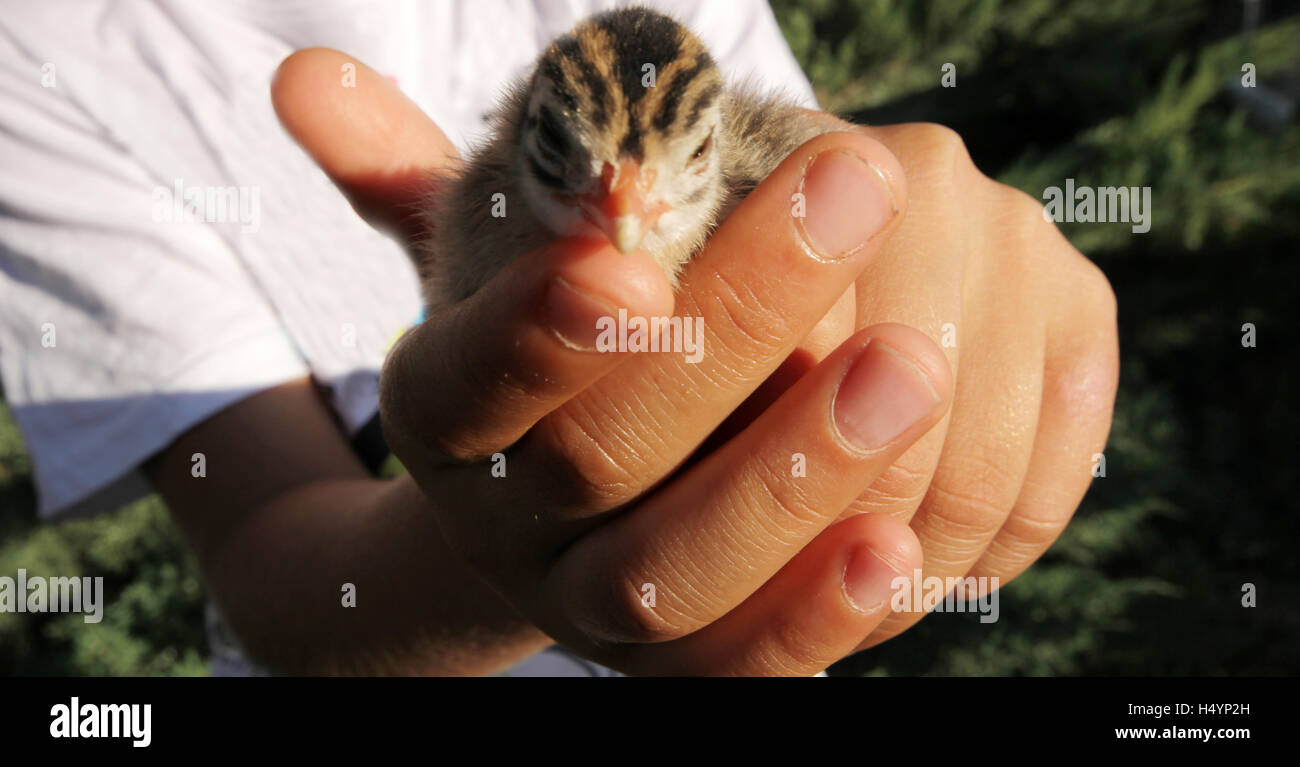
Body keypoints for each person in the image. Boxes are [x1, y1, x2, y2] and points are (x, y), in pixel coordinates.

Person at [0, 0, 1117, 676]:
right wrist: (506, 548)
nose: (623, 228)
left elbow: (801, 156)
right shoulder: (37, 59)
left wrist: (918, 266)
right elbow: (265, 555)